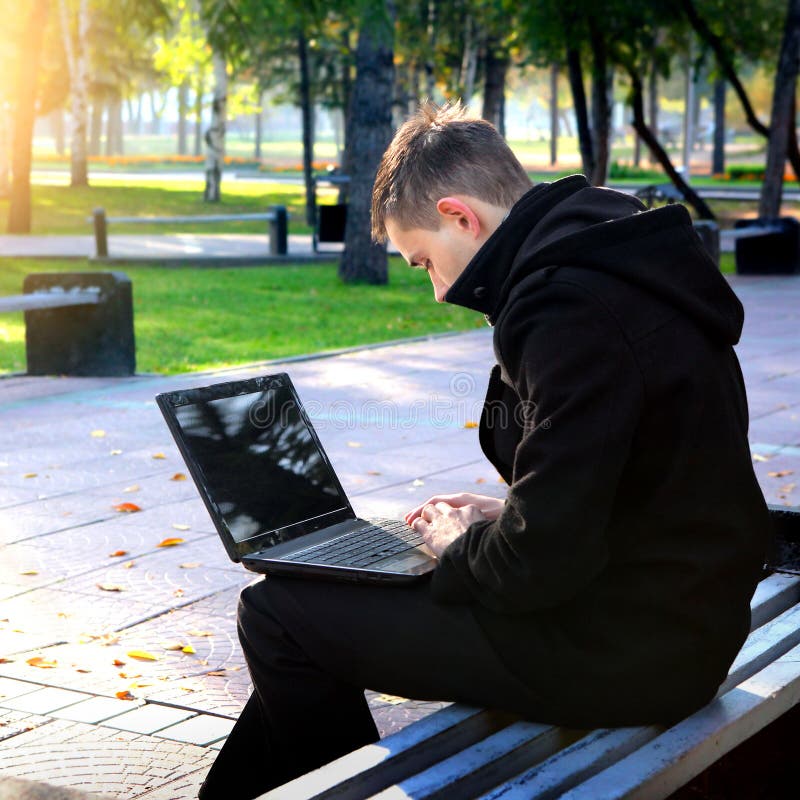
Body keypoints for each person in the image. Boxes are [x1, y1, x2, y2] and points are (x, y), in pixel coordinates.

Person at [198, 102, 769, 800]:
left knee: (277, 616)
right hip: (677, 616)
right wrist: (508, 511)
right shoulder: (617, 264)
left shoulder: (570, 310)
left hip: (630, 649)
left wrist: (457, 543)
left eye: (425, 261)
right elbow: (644, 475)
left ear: (460, 216)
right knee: (312, 612)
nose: (439, 291)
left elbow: (534, 568)